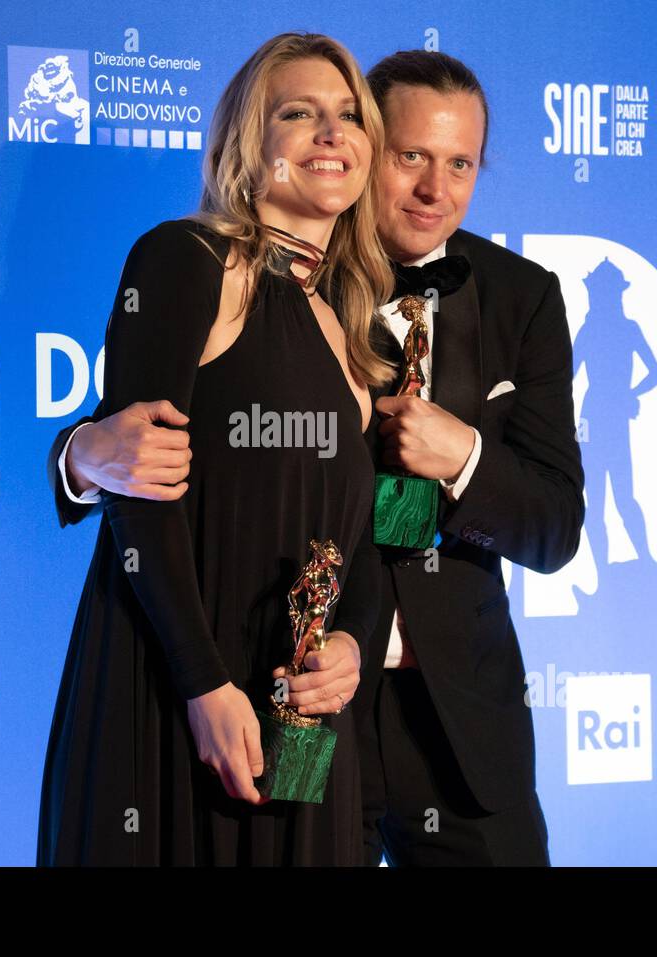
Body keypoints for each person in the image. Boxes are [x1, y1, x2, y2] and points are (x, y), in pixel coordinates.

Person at [51, 50, 585, 866]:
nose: (434, 189)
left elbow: (548, 525)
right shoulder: (237, 263)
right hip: (253, 693)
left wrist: (464, 458)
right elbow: (138, 449)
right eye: (411, 156)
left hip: (443, 717)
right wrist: (81, 453)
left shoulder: (509, 297)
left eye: (461, 164)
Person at [37, 32, 398, 866]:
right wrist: (202, 682)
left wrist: (347, 646)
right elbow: (138, 482)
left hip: (300, 729)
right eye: (298, 113)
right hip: (175, 692)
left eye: (349, 116)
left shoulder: (352, 325)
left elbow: (365, 543)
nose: (331, 133)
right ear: (249, 139)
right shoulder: (188, 260)